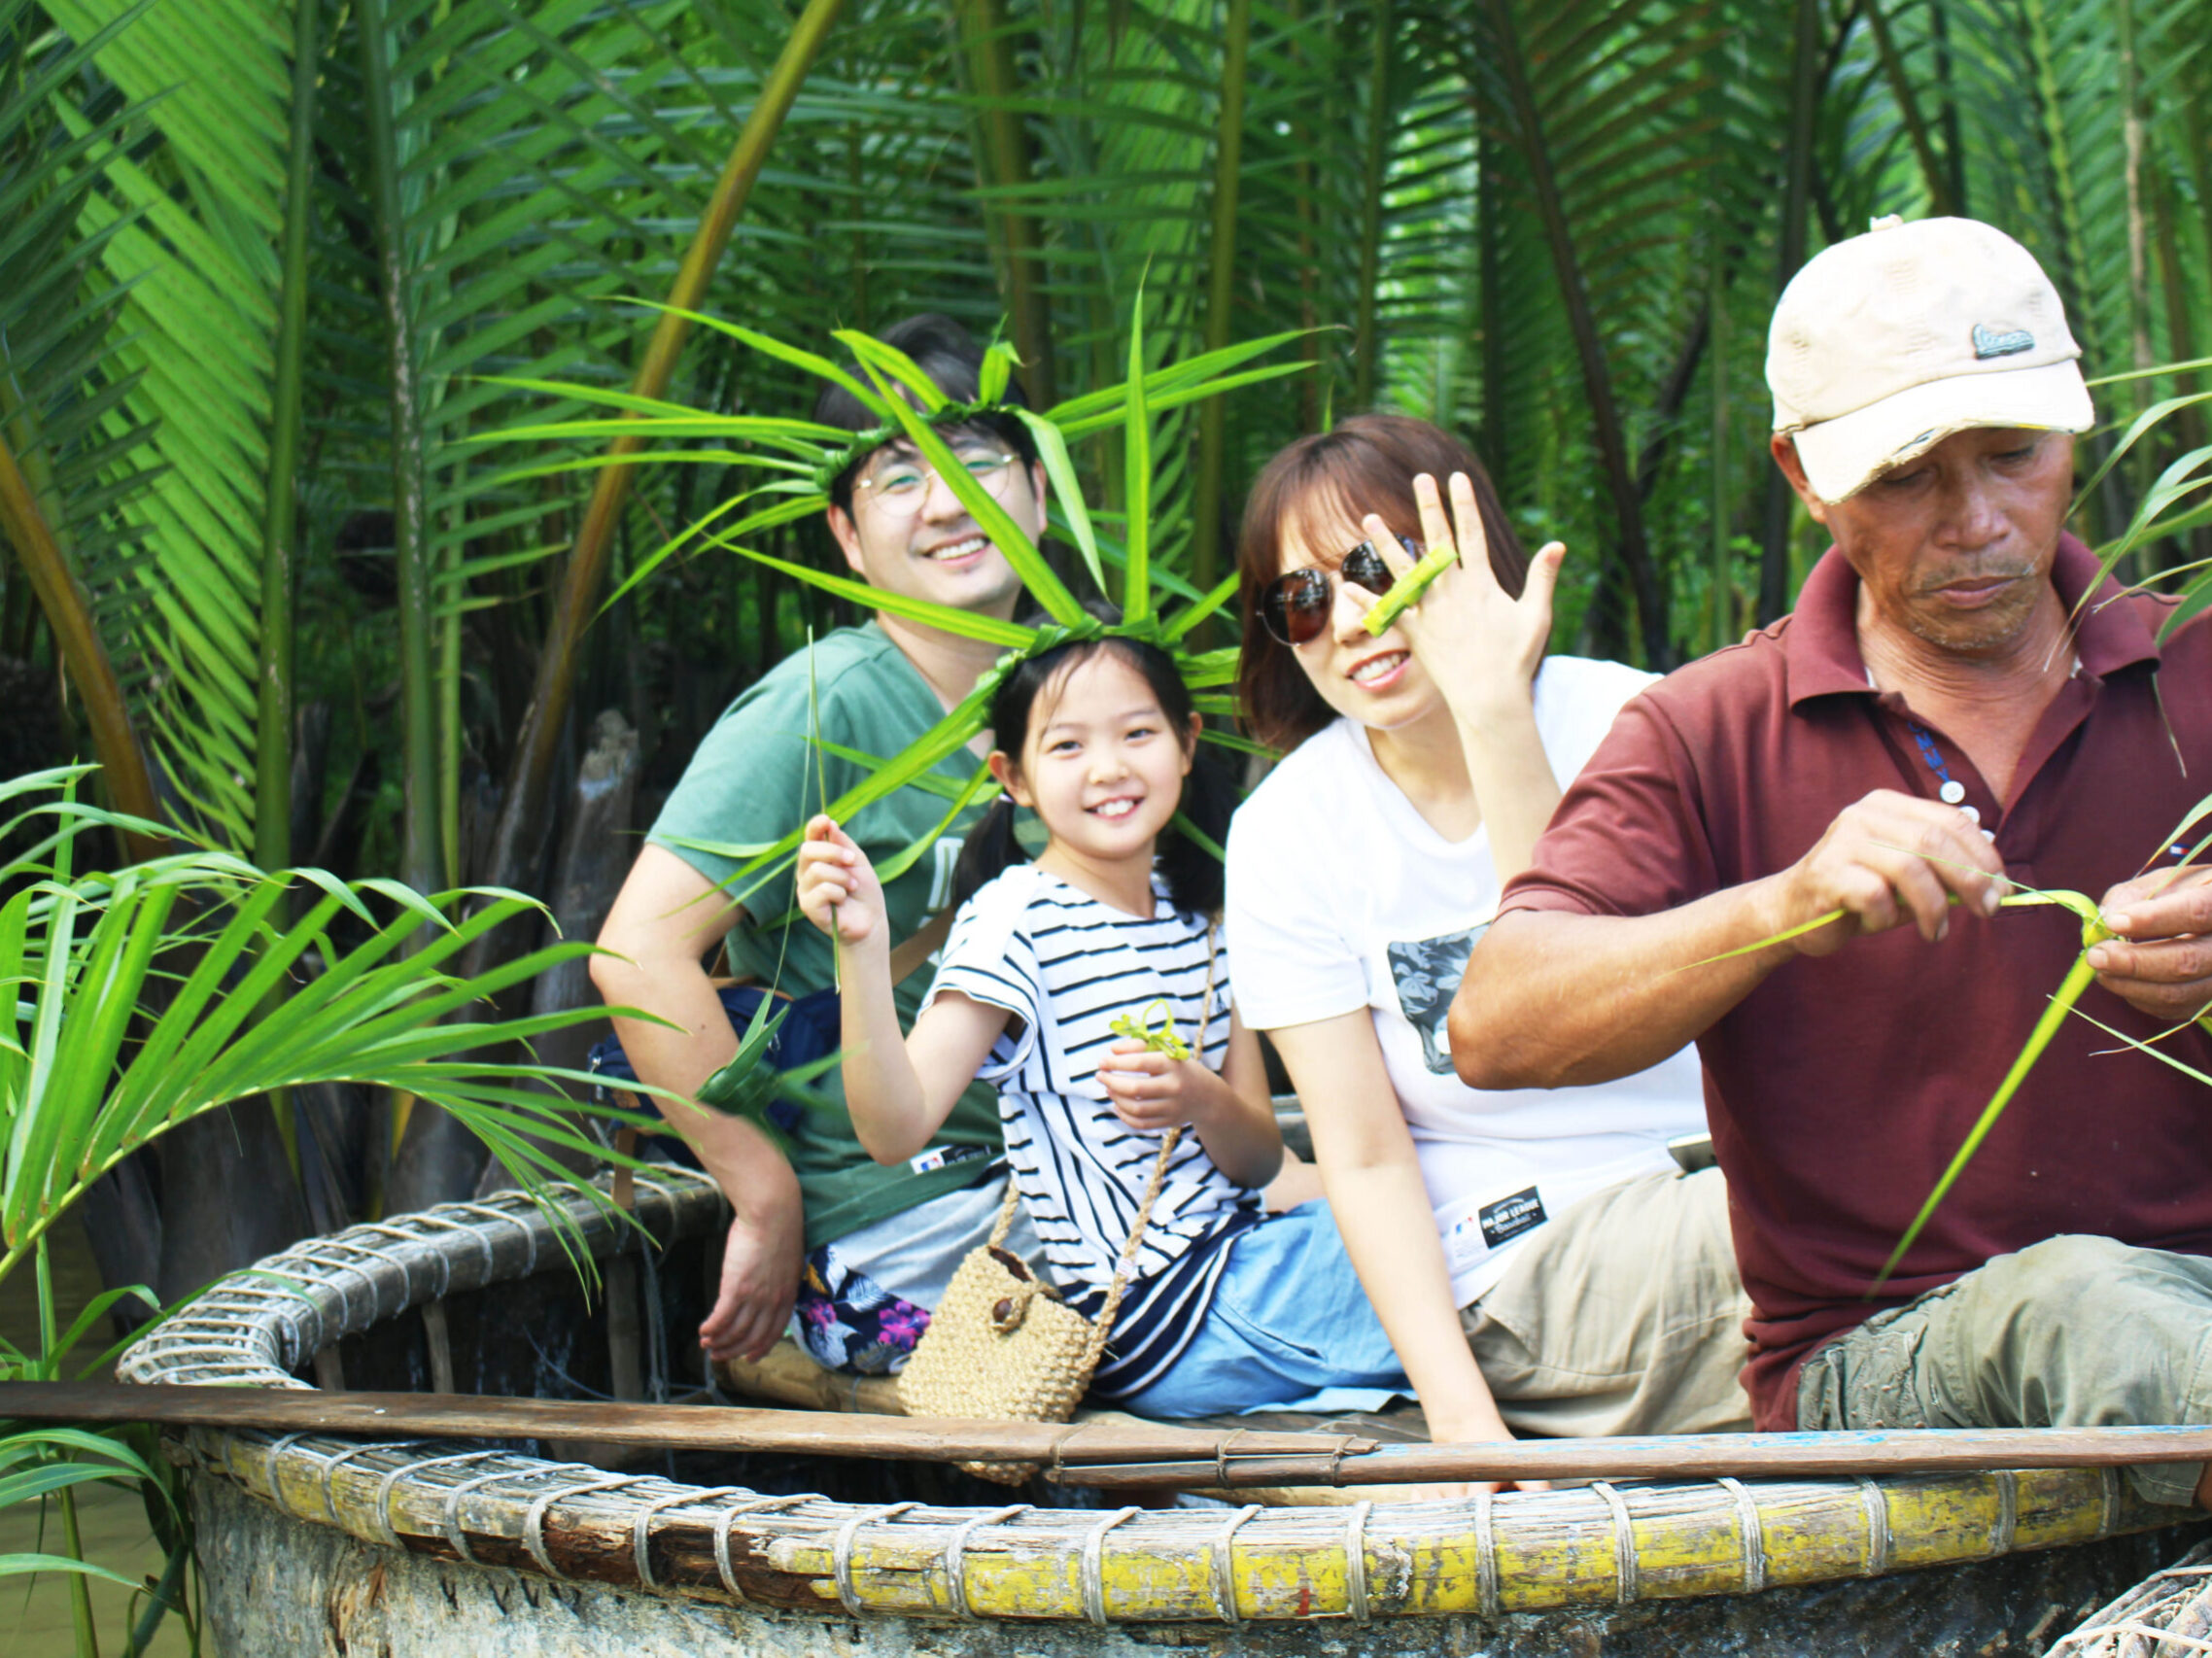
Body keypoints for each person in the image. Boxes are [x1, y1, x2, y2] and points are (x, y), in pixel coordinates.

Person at [1453, 215, 2212, 1511]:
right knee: (2085, 1301)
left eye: (2015, 456)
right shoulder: (1708, 728)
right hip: (1885, 1359)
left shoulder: (2193, 658)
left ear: (2074, 429)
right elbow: (1497, 1020)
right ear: (1804, 472)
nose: (1977, 522)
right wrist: (1785, 906)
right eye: (1908, 474)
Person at [1224, 414, 1750, 1480]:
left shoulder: (1627, 716)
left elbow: (1605, 986)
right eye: (1302, 597)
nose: (1353, 617)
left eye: (1375, 565)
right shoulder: (1286, 830)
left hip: (1738, 1174)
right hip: (1537, 1256)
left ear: (1464, 557)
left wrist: (1492, 708)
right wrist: (1463, 1426)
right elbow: (1364, 1156)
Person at [591, 314, 1053, 1375]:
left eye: (973, 461)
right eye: (898, 479)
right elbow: (635, 951)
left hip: (1064, 1183)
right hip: (905, 1211)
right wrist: (762, 1191)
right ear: (846, 534)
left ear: (1034, 484)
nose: (945, 503)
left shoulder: (1076, 692)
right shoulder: (826, 702)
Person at [795, 625, 1408, 1415]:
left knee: (1442, 1215)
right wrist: (864, 951)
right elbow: (894, 1129)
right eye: (1067, 747)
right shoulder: (1015, 919)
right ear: (1012, 778)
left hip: (1244, 1267)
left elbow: (1257, 1158)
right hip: (1154, 1315)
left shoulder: (1209, 918)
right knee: (1434, 1258)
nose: (1110, 768)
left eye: (1138, 733)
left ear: (1186, 745)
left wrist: (1200, 1099)